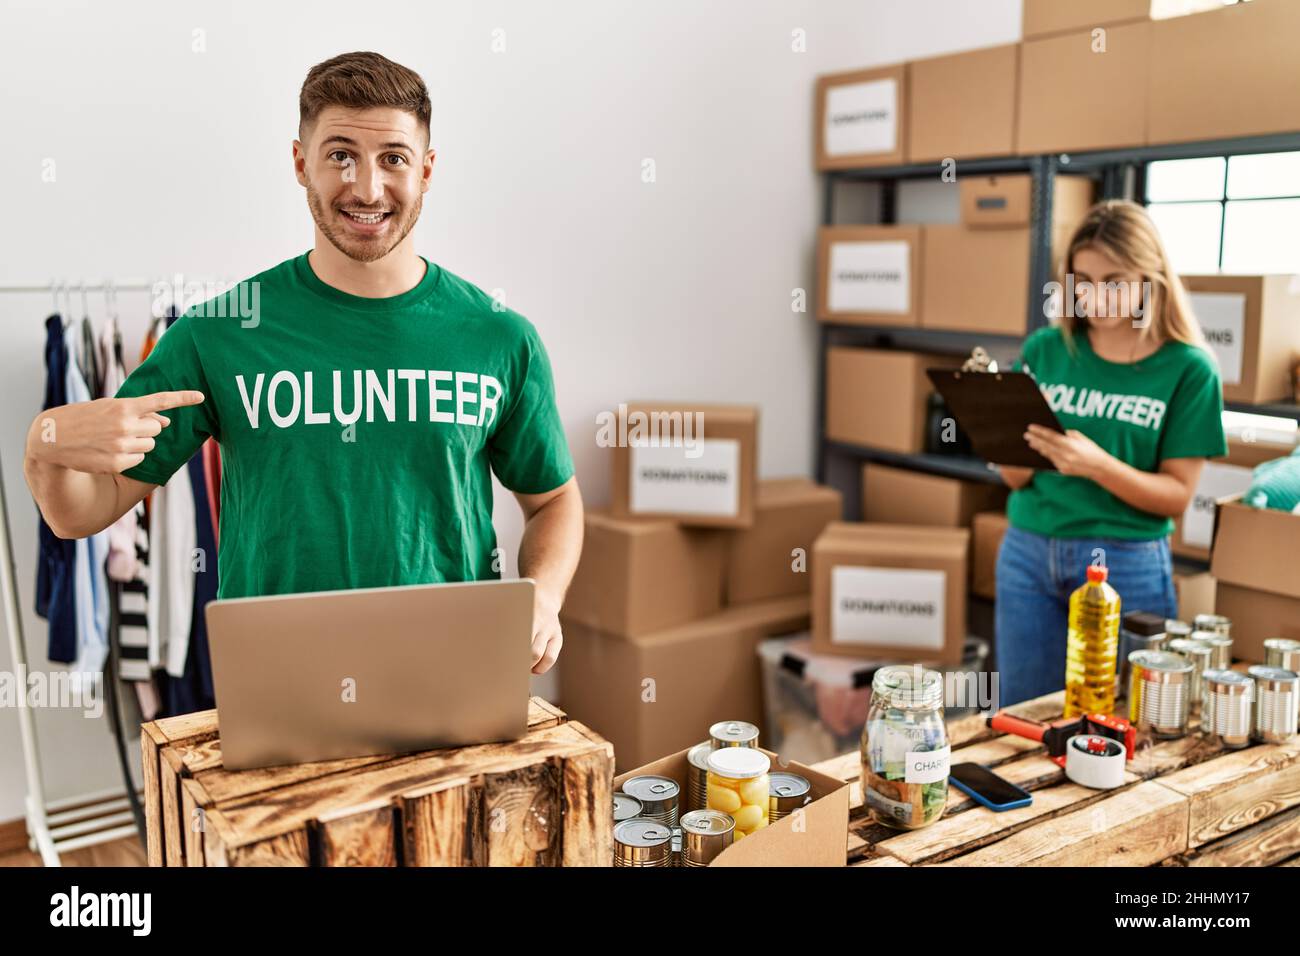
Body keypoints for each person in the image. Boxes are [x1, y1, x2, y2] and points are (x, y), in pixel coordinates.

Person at [24, 51, 583, 677]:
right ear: (300, 163)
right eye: (340, 154)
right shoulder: (218, 334)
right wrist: (45, 446)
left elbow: (554, 500)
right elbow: (82, 512)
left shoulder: (500, 337)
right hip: (278, 683)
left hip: (454, 675)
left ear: (426, 170)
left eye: (393, 159)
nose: (367, 187)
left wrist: (543, 597)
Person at [995, 200, 1226, 706]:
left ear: (1151, 277)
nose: (1094, 297)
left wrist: (1098, 466)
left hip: (1126, 561)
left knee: (1124, 717)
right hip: (1028, 552)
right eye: (1083, 280)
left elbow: (1176, 497)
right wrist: (996, 433)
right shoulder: (1046, 349)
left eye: (1113, 281)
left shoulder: (1189, 370)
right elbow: (1015, 478)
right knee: (1026, 714)